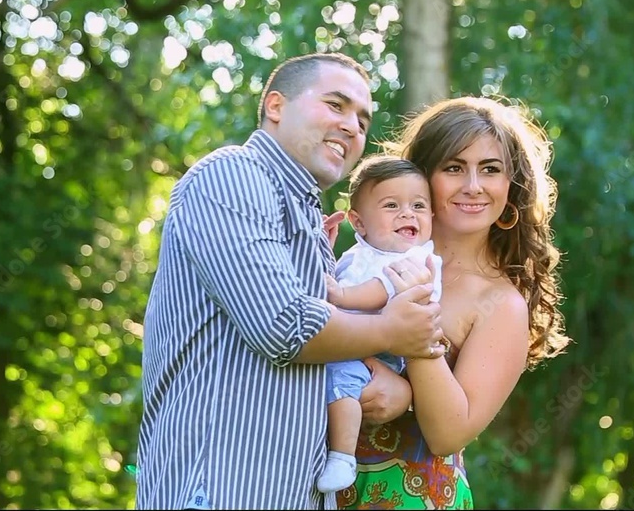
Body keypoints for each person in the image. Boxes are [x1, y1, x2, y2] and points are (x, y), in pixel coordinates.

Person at [135, 52, 448, 510]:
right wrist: (391, 331)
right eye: (336, 105)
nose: (352, 127)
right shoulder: (233, 176)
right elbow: (283, 325)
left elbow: (332, 353)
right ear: (277, 107)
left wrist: (397, 387)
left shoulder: (310, 220)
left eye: (362, 120)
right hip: (220, 490)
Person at [331, 96, 571, 509]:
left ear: (510, 188)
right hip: (307, 485)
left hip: (411, 497)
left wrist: (415, 349)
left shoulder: (500, 303)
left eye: (490, 170)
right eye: (454, 167)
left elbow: (449, 433)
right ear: (422, 176)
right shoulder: (368, 250)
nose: (473, 185)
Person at [316, 155, 444, 494]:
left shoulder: (417, 258)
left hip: (378, 357)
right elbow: (333, 286)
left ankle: (342, 456)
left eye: (419, 205)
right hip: (346, 342)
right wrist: (323, 257)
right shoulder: (357, 256)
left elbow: (380, 291)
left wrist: (341, 295)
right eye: (392, 205)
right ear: (358, 223)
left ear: (431, 216)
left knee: (341, 378)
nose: (407, 213)